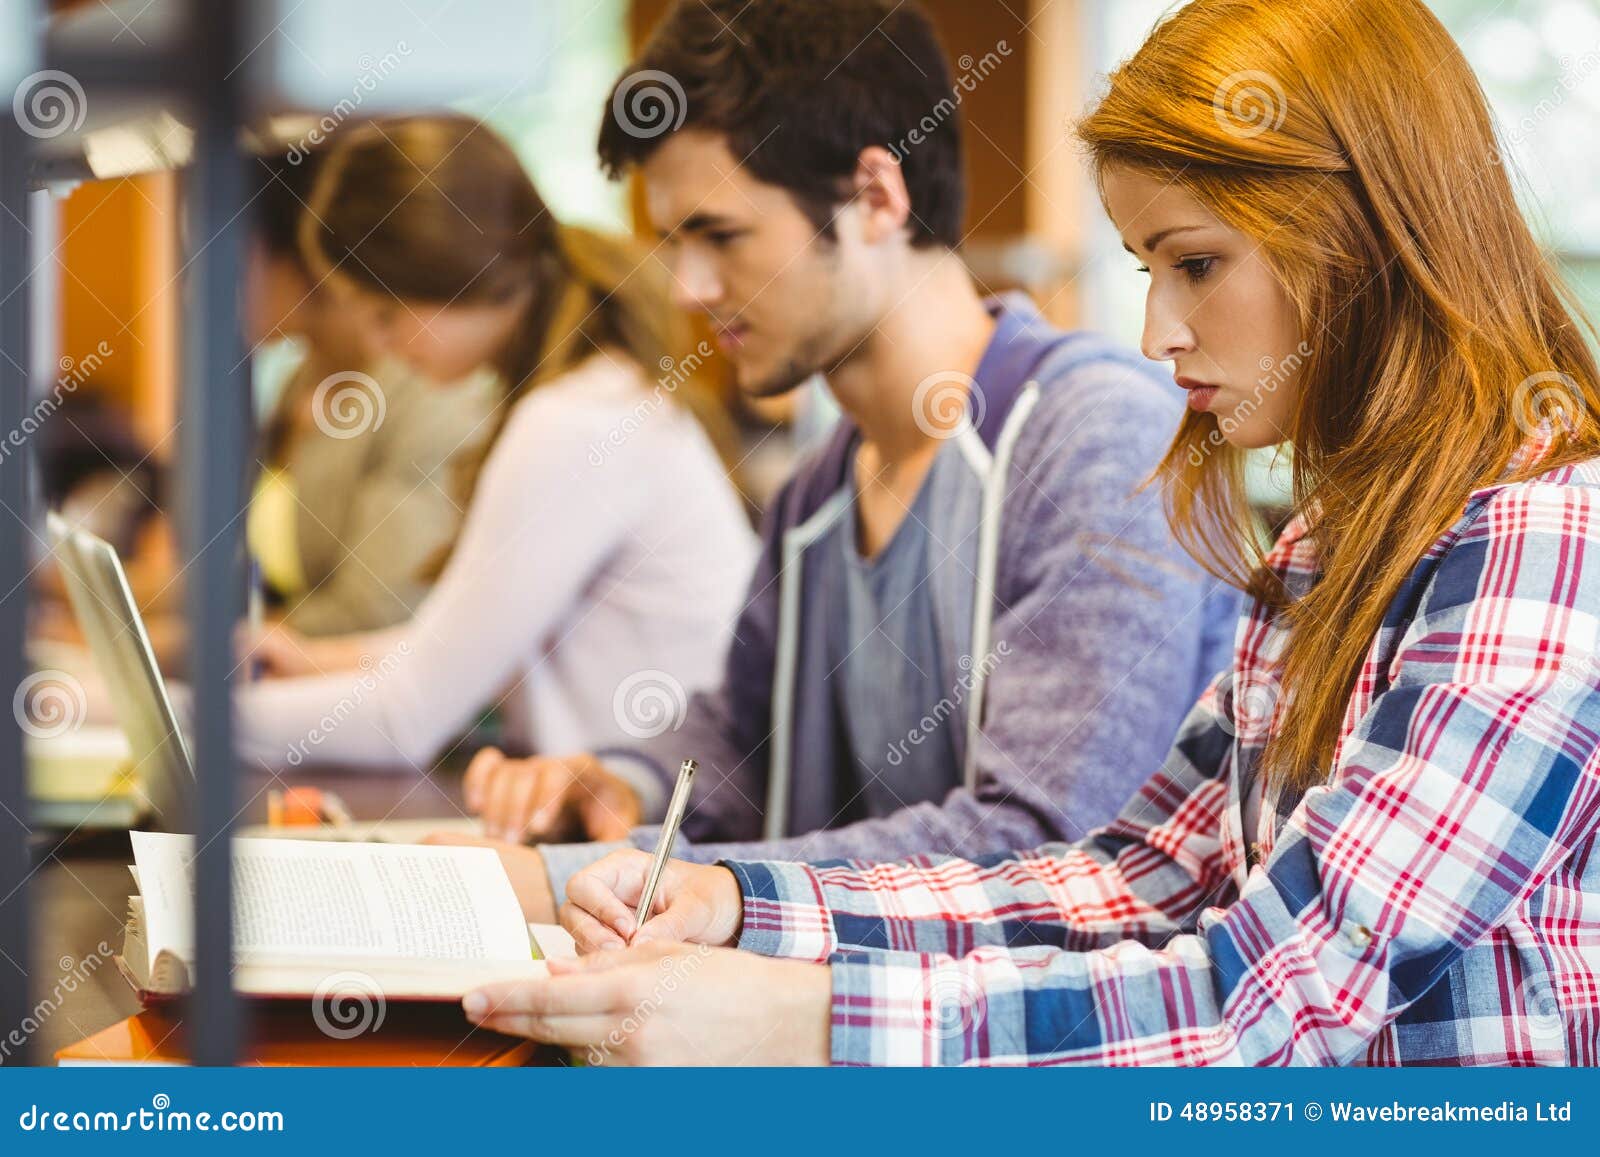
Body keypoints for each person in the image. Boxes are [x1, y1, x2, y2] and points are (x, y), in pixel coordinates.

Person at [466, 0, 1600, 1066]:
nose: (1159, 330)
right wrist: (743, 903)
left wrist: (800, 1015)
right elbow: (1134, 875)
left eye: (1196, 263)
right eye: (1148, 270)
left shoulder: (1542, 541)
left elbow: (1271, 1002)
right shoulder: (1320, 547)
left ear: (1360, 234)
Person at [448, 0, 1238, 923]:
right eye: (674, 244)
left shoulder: (1096, 439)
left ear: (875, 195)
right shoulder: (817, 492)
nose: (691, 290)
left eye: (721, 235)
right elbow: (737, 755)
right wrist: (618, 789)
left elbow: (1040, 847)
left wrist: (577, 885)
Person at [234, 115, 756, 774]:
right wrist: (327, 659)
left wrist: (181, 715)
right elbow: (470, 637)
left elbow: (406, 719)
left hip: (654, 827)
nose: (379, 343)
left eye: (388, 313)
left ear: (458, 277)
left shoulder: (575, 422)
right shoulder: (587, 395)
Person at [243, 141, 498, 637]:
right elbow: (255, 582)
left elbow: (377, 612)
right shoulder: (305, 376)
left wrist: (191, 649)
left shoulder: (430, 391)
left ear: (301, 259)